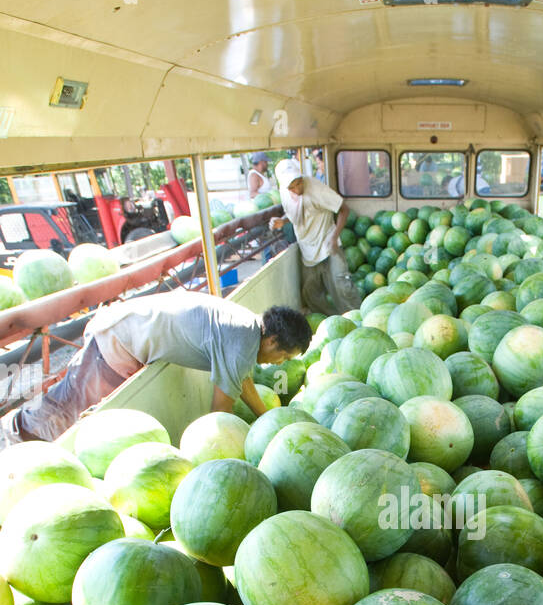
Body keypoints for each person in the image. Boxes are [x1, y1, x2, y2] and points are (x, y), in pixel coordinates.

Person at [3, 289, 310, 445]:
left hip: (124, 335)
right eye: (284, 357)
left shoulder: (246, 326)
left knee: (70, 399)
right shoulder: (243, 342)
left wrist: (269, 419)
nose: (280, 364)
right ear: (271, 341)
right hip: (118, 341)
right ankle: (14, 434)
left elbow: (241, 381)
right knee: (66, 408)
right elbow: (219, 414)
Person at [270, 157, 359, 314]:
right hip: (307, 247)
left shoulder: (317, 189)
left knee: (342, 286)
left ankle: (356, 319)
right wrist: (282, 221)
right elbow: (294, 214)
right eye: (292, 187)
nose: (297, 189)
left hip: (327, 243)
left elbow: (344, 210)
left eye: (299, 183)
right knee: (310, 293)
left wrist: (334, 237)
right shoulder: (284, 192)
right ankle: (332, 320)